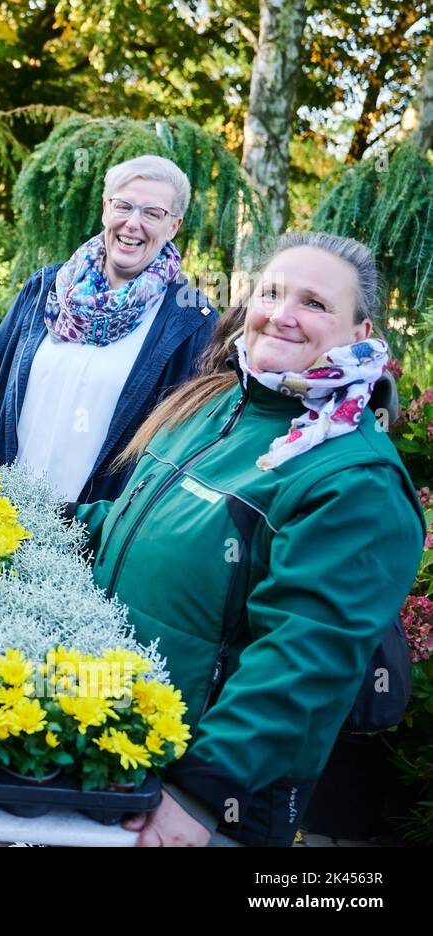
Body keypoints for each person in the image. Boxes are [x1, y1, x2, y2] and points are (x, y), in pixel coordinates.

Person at [75, 232, 423, 846]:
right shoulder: (220, 406)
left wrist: (200, 795)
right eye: (271, 292)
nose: (282, 315)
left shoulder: (353, 479)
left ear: (359, 332)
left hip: (197, 791)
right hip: (113, 738)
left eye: (315, 304)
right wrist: (25, 526)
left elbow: (304, 661)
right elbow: (132, 528)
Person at [0, 155, 217, 504]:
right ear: (105, 209)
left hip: (93, 530)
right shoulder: (44, 288)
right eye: (124, 206)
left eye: (152, 213)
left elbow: (185, 443)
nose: (134, 223)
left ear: (173, 226)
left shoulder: (189, 318)